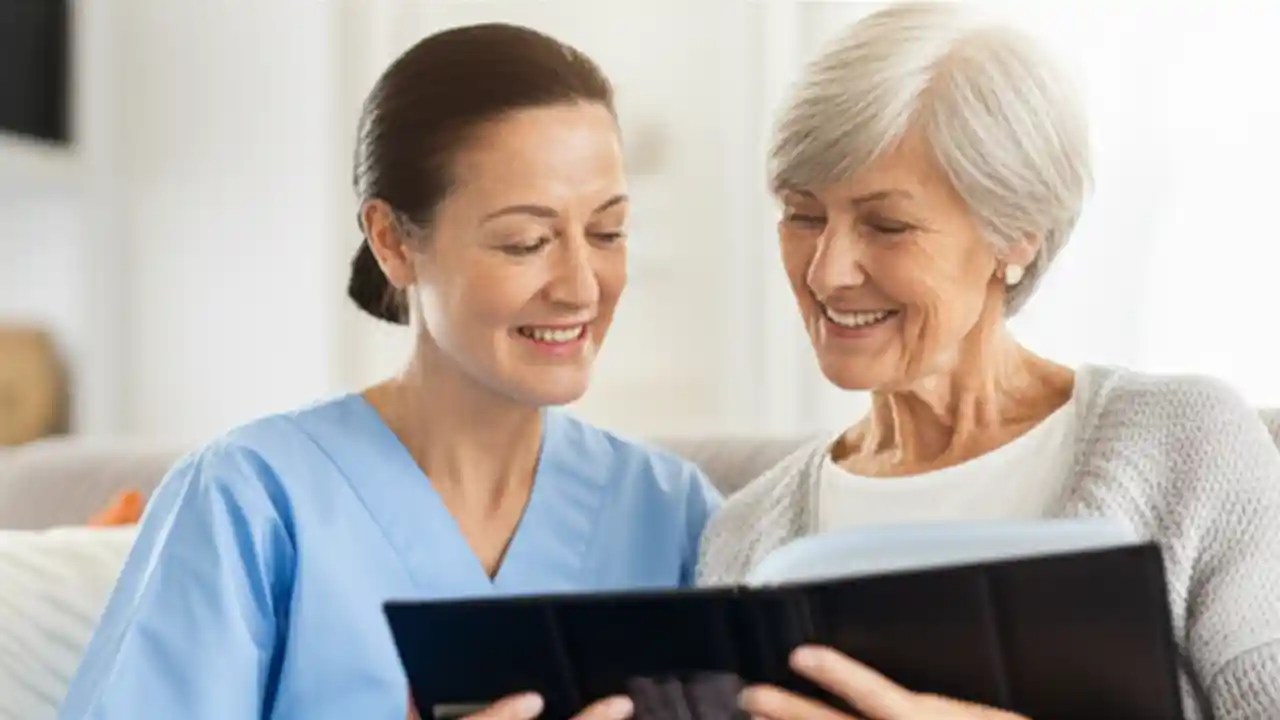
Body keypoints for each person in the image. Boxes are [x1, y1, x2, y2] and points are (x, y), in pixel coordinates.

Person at [59, 23, 719, 720]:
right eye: (525, 241)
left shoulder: (673, 514)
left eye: (608, 232)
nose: (581, 286)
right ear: (393, 242)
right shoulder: (249, 499)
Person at [699, 3, 1280, 719]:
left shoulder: (1189, 445)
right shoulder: (740, 534)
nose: (826, 272)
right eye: (803, 214)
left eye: (886, 225)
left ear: (1016, 237)